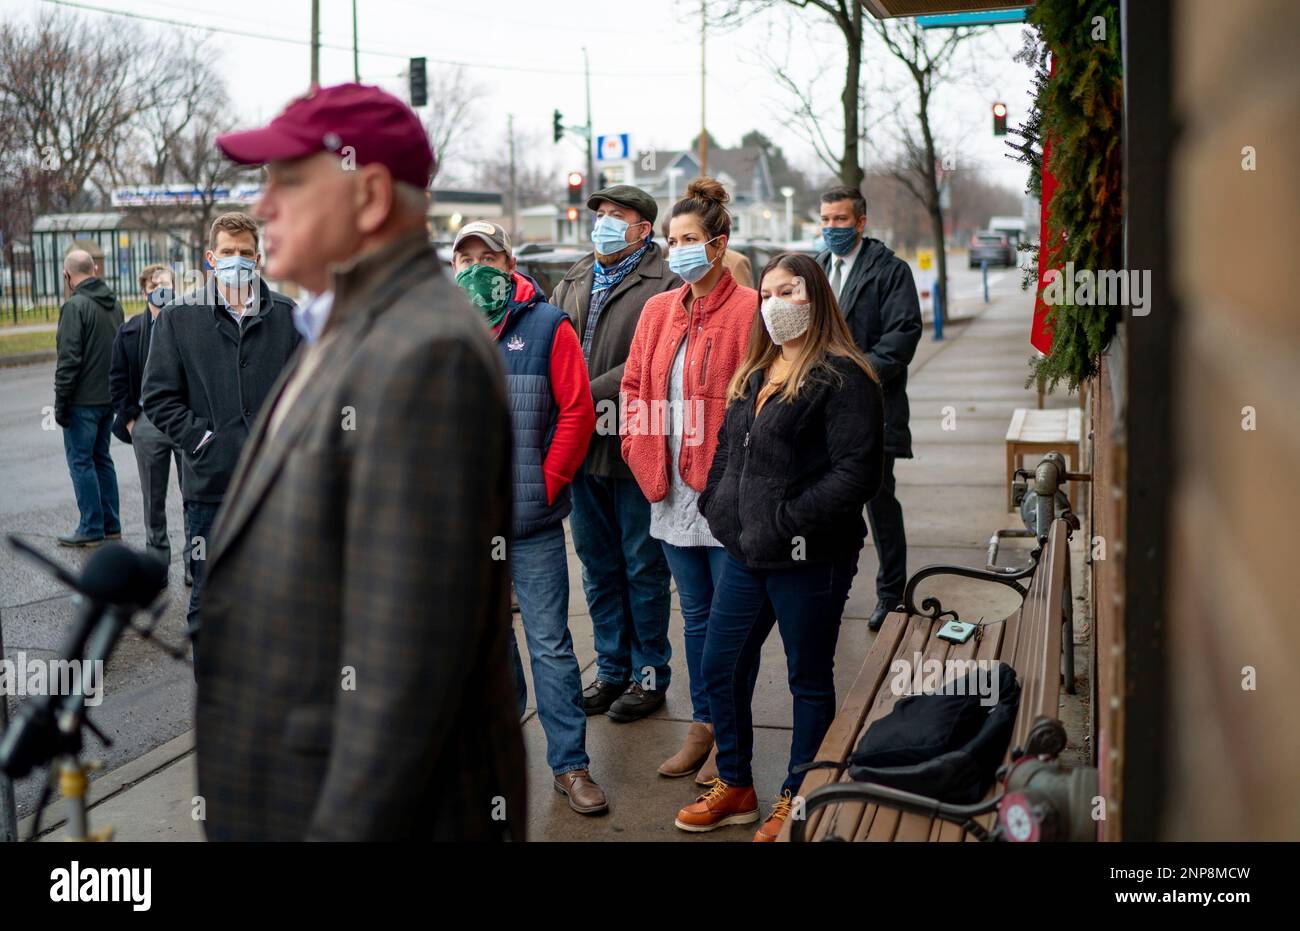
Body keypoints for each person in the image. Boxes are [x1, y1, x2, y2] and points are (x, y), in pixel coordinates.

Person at [195, 82, 525, 840]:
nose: (266, 206)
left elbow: (403, 670)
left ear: (370, 195)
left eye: (288, 181)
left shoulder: (424, 352)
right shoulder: (349, 325)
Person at [675, 252, 884, 841]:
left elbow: (855, 476)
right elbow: (725, 451)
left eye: (788, 292)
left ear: (815, 299)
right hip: (745, 553)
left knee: (808, 679)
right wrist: (719, 508)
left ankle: (802, 793)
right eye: (766, 293)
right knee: (721, 666)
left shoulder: (843, 377)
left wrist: (786, 519)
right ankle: (736, 784)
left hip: (808, 557)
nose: (773, 304)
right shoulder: (756, 370)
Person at [450, 219, 607, 816]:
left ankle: (571, 765)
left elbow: (576, 411)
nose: (472, 267)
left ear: (507, 261)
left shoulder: (546, 325)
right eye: (462, 257)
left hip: (532, 521)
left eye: (483, 256)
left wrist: (543, 485)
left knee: (550, 643)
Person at [622, 178, 757, 782]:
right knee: (697, 618)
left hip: (727, 496)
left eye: (690, 239)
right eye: (672, 239)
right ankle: (703, 727)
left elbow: (764, 400)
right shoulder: (657, 311)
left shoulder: (750, 310)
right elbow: (632, 389)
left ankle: (731, 740)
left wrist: (739, 473)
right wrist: (640, 448)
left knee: (733, 626)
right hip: (670, 493)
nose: (678, 249)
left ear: (719, 245)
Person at [142, 212, 300, 654]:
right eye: (227, 253)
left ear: (259, 258)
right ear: (210, 259)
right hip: (211, 488)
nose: (236, 261)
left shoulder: (287, 316)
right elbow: (157, 397)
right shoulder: (177, 319)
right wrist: (201, 441)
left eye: (245, 253)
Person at [550, 185, 680, 722]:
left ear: (643, 228)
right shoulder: (575, 277)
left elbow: (646, 363)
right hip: (580, 448)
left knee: (642, 568)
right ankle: (610, 669)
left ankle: (649, 677)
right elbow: (548, 342)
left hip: (633, 447)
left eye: (616, 215)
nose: (602, 222)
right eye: (599, 213)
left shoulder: (665, 285)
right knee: (598, 569)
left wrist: (577, 392)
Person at [817, 185, 922, 630]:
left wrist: (853, 380)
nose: (831, 229)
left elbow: (901, 337)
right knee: (824, 505)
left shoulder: (890, 271)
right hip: (820, 411)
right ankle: (823, 590)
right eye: (825, 220)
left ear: (861, 222)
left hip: (872, 409)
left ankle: (892, 594)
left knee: (879, 503)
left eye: (840, 220)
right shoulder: (817, 268)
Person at [110, 264, 185, 581]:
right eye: (155, 284)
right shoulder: (129, 331)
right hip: (146, 423)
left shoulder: (188, 327)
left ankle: (196, 563)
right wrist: (130, 421)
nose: (161, 288)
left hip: (183, 422)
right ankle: (157, 564)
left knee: (193, 496)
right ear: (145, 290)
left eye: (166, 283)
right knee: (153, 499)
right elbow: (116, 379)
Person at [53, 250, 125, 547]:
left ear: (67, 276)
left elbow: (68, 360)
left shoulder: (75, 306)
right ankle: (111, 526)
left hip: (82, 402)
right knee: (102, 460)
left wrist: (61, 401)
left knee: (81, 462)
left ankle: (91, 528)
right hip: (108, 399)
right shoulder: (115, 305)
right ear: (94, 270)